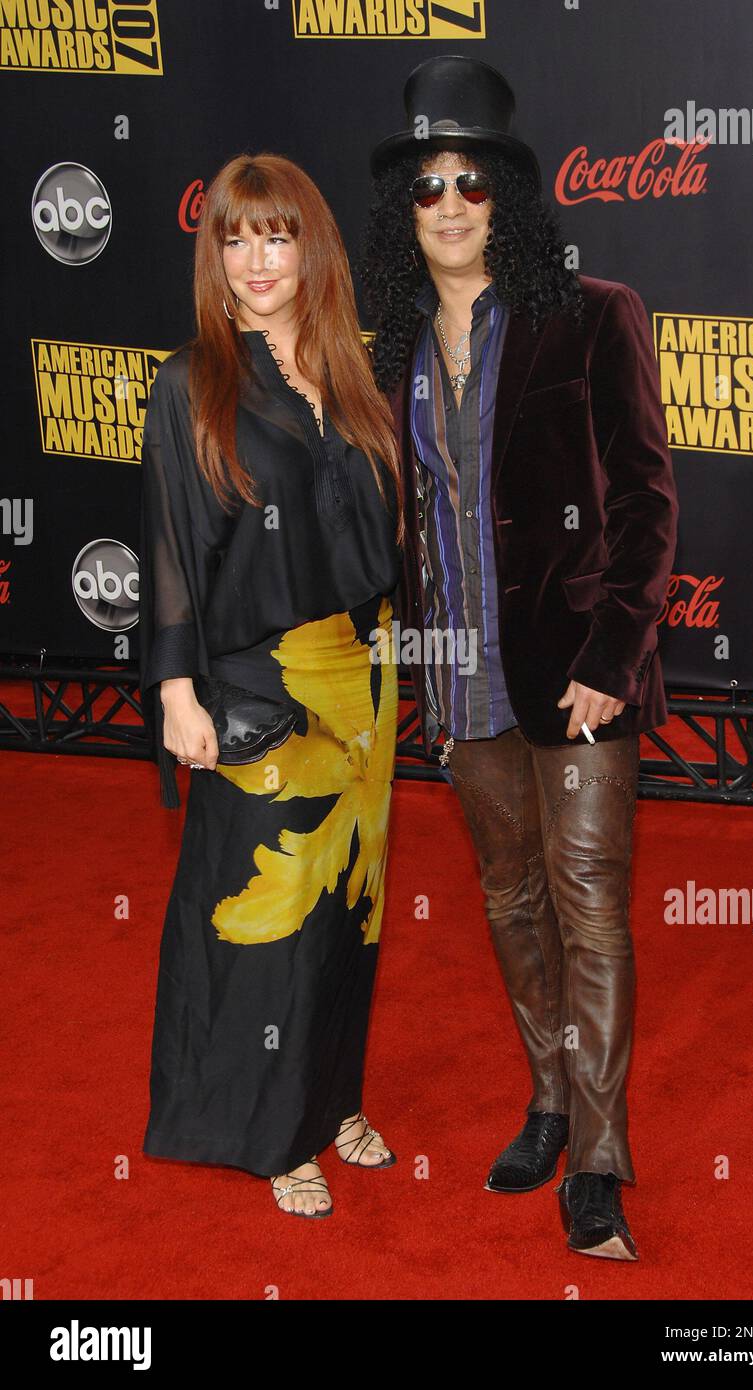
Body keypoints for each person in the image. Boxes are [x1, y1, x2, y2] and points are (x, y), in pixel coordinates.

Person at [361, 56, 678, 1259]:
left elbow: (646, 501)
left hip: (577, 672)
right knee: (509, 896)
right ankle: (550, 1099)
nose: (448, 204)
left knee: (590, 904)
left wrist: (613, 652)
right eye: (426, 185)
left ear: (509, 195)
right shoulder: (389, 350)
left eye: (471, 181)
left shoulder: (593, 313)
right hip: (460, 676)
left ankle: (598, 1156)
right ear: (404, 209)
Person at [137, 152, 404, 1218]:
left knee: (351, 904)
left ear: (310, 248)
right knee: (272, 908)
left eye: (277, 236)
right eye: (235, 239)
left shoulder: (349, 371)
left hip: (366, 674)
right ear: (215, 256)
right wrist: (176, 692)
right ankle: (273, 1131)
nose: (256, 260)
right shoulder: (191, 381)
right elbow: (169, 542)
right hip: (262, 675)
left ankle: (332, 1097)